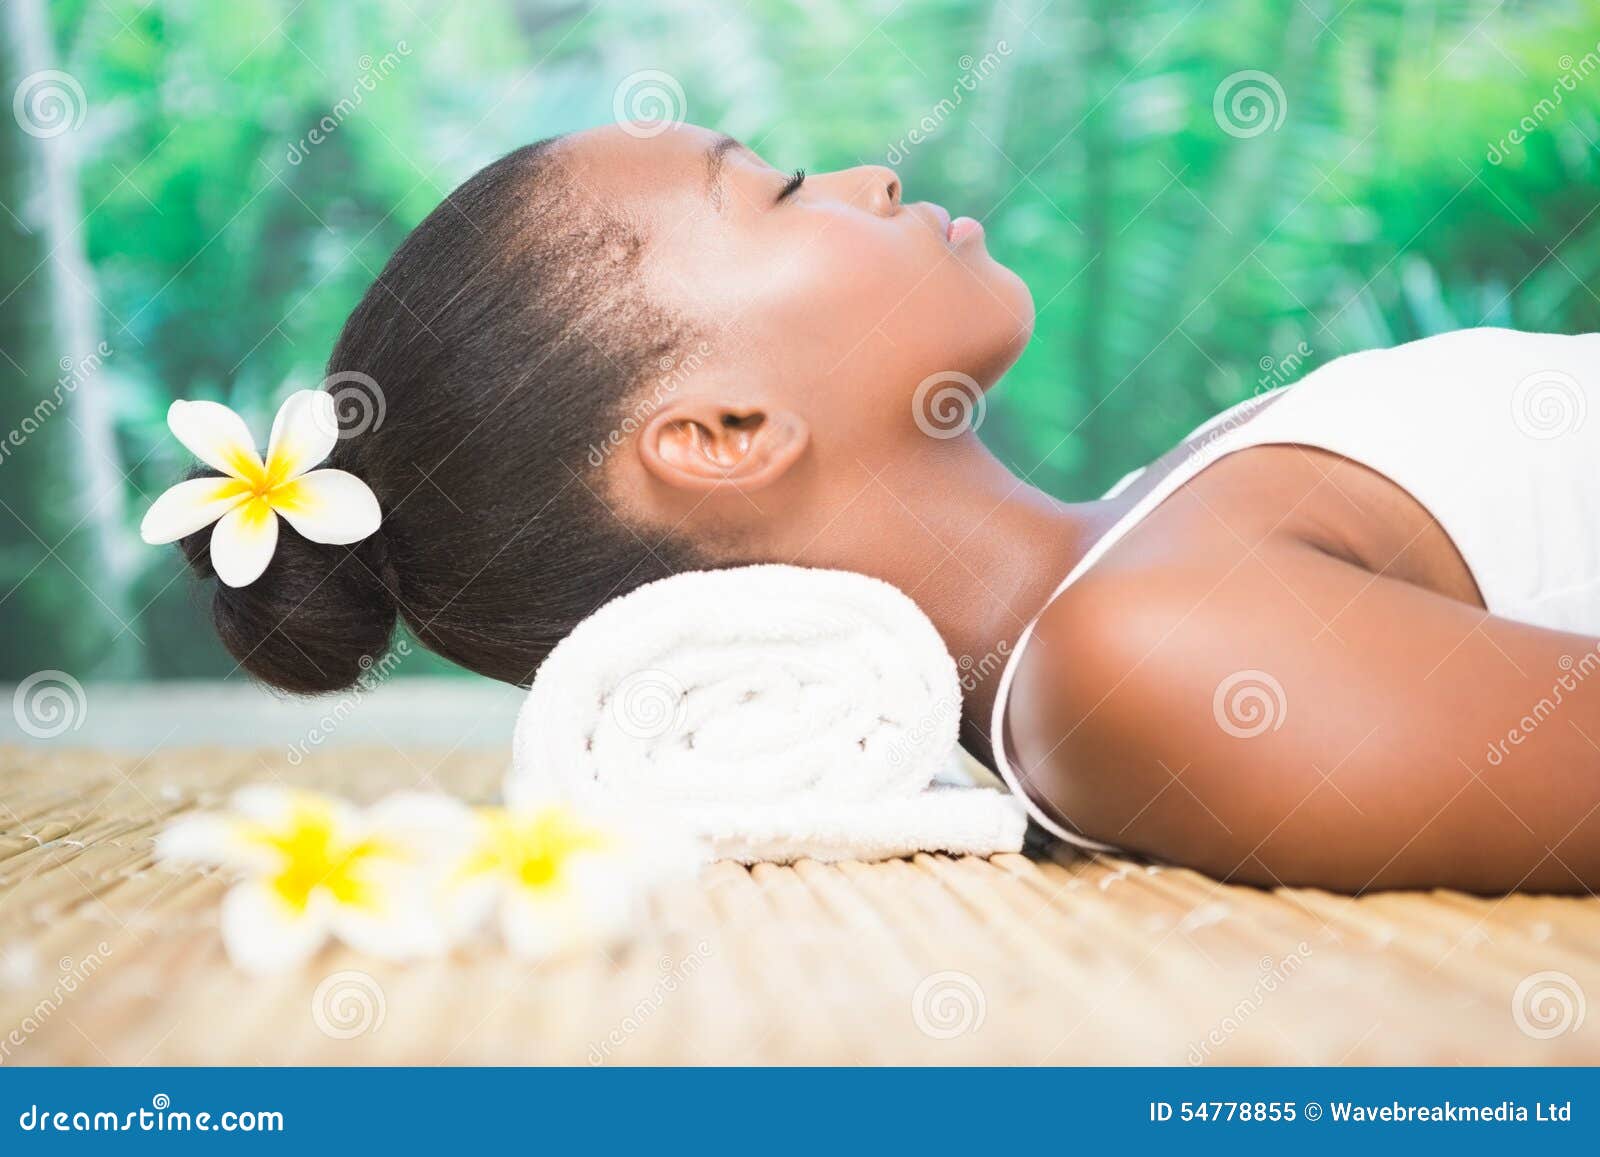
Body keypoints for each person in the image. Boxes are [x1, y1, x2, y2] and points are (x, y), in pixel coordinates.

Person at [151, 122, 1600, 894]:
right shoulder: (1145, 657)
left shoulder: (1148, 549)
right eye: (780, 190)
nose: (870, 173)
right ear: (722, 434)